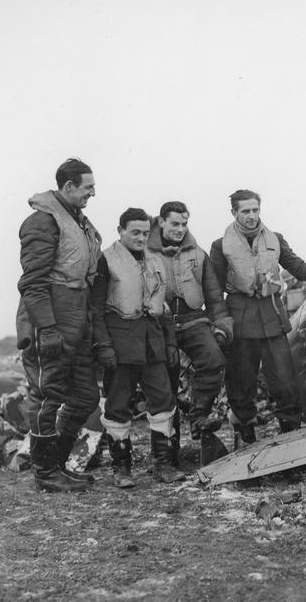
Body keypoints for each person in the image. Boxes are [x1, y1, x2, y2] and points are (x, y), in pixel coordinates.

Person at [210, 189, 306, 445]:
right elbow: (214, 289)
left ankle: (290, 434)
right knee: (241, 380)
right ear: (234, 213)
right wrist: (220, 321)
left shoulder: (275, 239)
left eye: (255, 210)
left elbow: (298, 267)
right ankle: (245, 434)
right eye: (245, 211)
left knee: (284, 379)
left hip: (271, 317)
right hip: (240, 319)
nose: (252, 216)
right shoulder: (220, 246)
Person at [16, 158, 102, 493]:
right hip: (50, 319)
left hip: (77, 320)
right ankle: (44, 473)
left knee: (84, 396)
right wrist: (46, 328)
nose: (92, 193)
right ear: (68, 187)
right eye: (88, 187)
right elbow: (33, 283)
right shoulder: (42, 222)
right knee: (46, 395)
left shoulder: (78, 222)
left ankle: (58, 465)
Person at [91, 208, 186, 487]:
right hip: (120, 343)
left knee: (163, 400)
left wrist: (169, 343)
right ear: (120, 231)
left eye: (145, 233)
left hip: (152, 341)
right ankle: (122, 469)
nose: (141, 238)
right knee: (118, 405)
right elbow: (95, 310)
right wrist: (104, 347)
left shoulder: (155, 260)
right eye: (135, 232)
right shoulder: (106, 260)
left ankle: (163, 466)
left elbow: (164, 307)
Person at [147, 201, 233, 453]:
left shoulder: (198, 253)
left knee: (213, 359)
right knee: (166, 383)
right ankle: (167, 453)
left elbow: (214, 296)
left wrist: (222, 327)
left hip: (193, 318)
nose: (180, 229)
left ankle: (199, 417)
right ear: (161, 222)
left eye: (184, 224)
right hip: (159, 324)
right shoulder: (146, 252)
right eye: (175, 223)